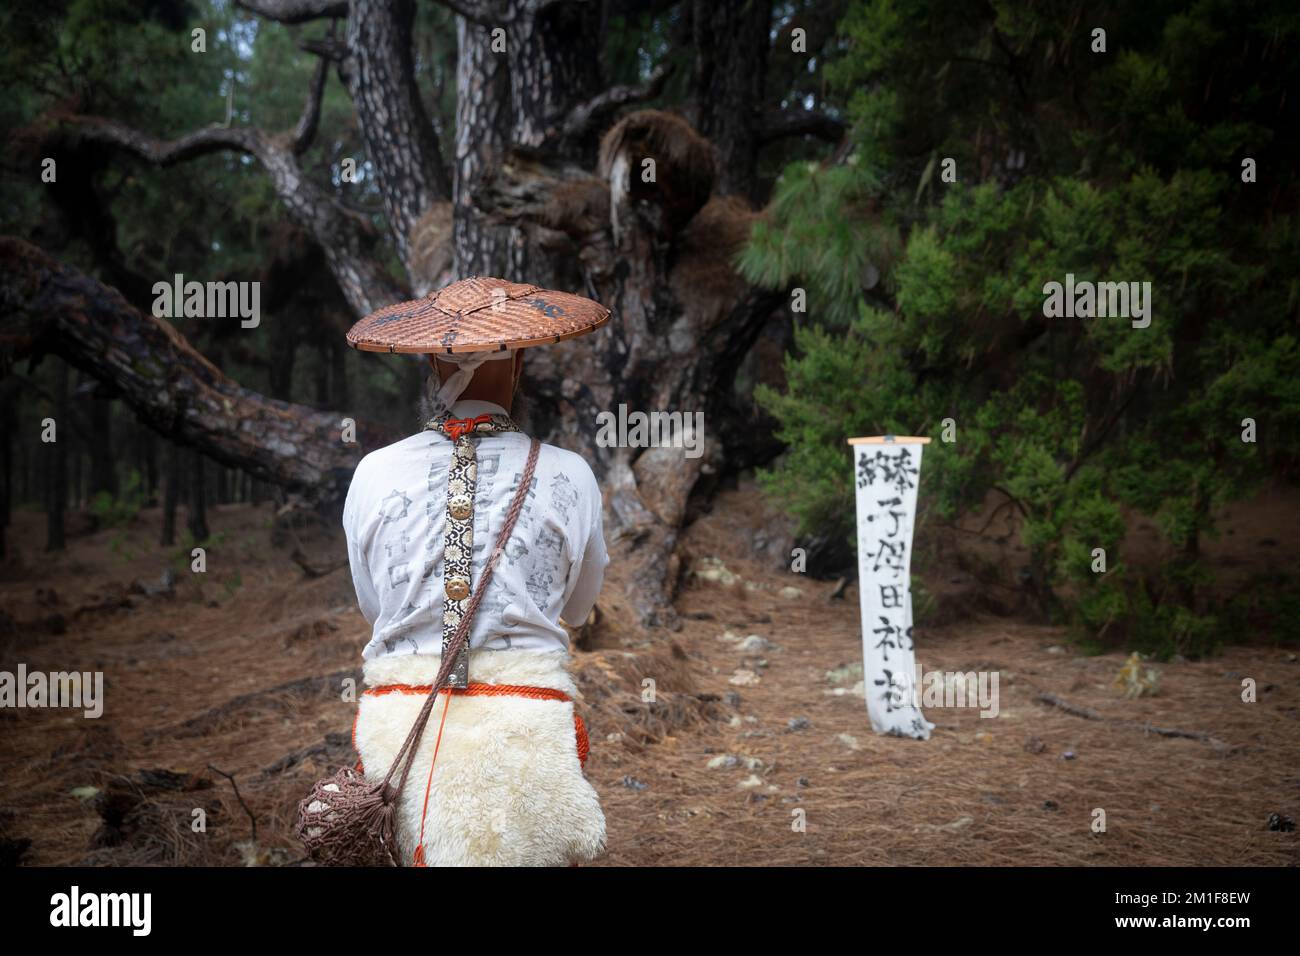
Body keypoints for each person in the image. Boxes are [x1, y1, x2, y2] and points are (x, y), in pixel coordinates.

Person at [340, 277, 611, 866]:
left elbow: (373, 609)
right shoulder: (571, 475)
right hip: (527, 729)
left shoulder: (372, 473)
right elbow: (578, 608)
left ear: (434, 363)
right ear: (517, 367)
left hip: (400, 732)